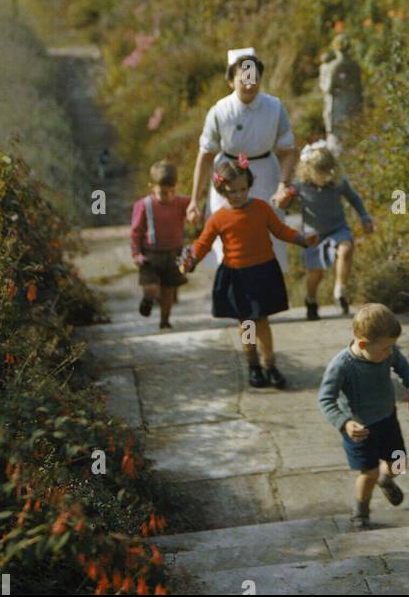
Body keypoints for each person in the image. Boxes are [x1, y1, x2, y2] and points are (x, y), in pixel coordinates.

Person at [183, 156, 318, 389]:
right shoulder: (218, 219)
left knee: (262, 322)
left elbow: (280, 230)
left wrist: (302, 239)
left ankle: (270, 365)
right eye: (231, 191)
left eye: (243, 189)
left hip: (263, 272)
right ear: (221, 190)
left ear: (249, 185)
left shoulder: (261, 208)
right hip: (237, 276)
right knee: (247, 324)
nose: (238, 195)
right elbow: (202, 244)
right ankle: (253, 365)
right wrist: (190, 261)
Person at [186, 49, 296, 270]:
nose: (249, 84)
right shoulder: (220, 111)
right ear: (230, 81)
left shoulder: (274, 107)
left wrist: (283, 185)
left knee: (268, 232)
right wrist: (194, 201)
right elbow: (205, 156)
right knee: (225, 231)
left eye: (253, 78)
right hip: (228, 173)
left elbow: (288, 150)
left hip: (265, 176)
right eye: (242, 79)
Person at [317, 302, 409, 530]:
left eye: (391, 347)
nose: (390, 353)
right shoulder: (342, 366)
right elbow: (325, 399)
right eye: (385, 349)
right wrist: (344, 424)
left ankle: (387, 480)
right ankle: (360, 513)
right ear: (363, 343)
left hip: (387, 419)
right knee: (369, 473)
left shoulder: (386, 350)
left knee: (399, 461)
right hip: (360, 430)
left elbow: (402, 365)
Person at [284, 142, 373, 320]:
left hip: (338, 228)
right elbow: (285, 202)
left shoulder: (338, 183)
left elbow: (354, 199)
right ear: (309, 170)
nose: (326, 178)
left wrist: (364, 217)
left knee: (346, 249)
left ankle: (340, 289)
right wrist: (284, 198)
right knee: (315, 273)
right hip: (313, 235)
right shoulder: (300, 185)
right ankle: (311, 299)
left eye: (329, 173)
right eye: (321, 175)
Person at [130, 160, 190, 330]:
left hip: (173, 253)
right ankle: (148, 299)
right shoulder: (144, 205)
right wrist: (136, 253)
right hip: (150, 254)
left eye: (172, 192)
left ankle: (165, 320)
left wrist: (194, 212)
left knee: (168, 290)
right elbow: (135, 231)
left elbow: (194, 206)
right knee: (150, 287)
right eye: (163, 193)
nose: (168, 196)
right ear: (152, 187)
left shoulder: (181, 202)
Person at [318, 33, 362, 155]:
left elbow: (327, 88)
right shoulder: (355, 66)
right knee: (352, 141)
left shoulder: (334, 66)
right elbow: (359, 89)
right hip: (353, 106)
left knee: (336, 143)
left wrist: (323, 71)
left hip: (338, 108)